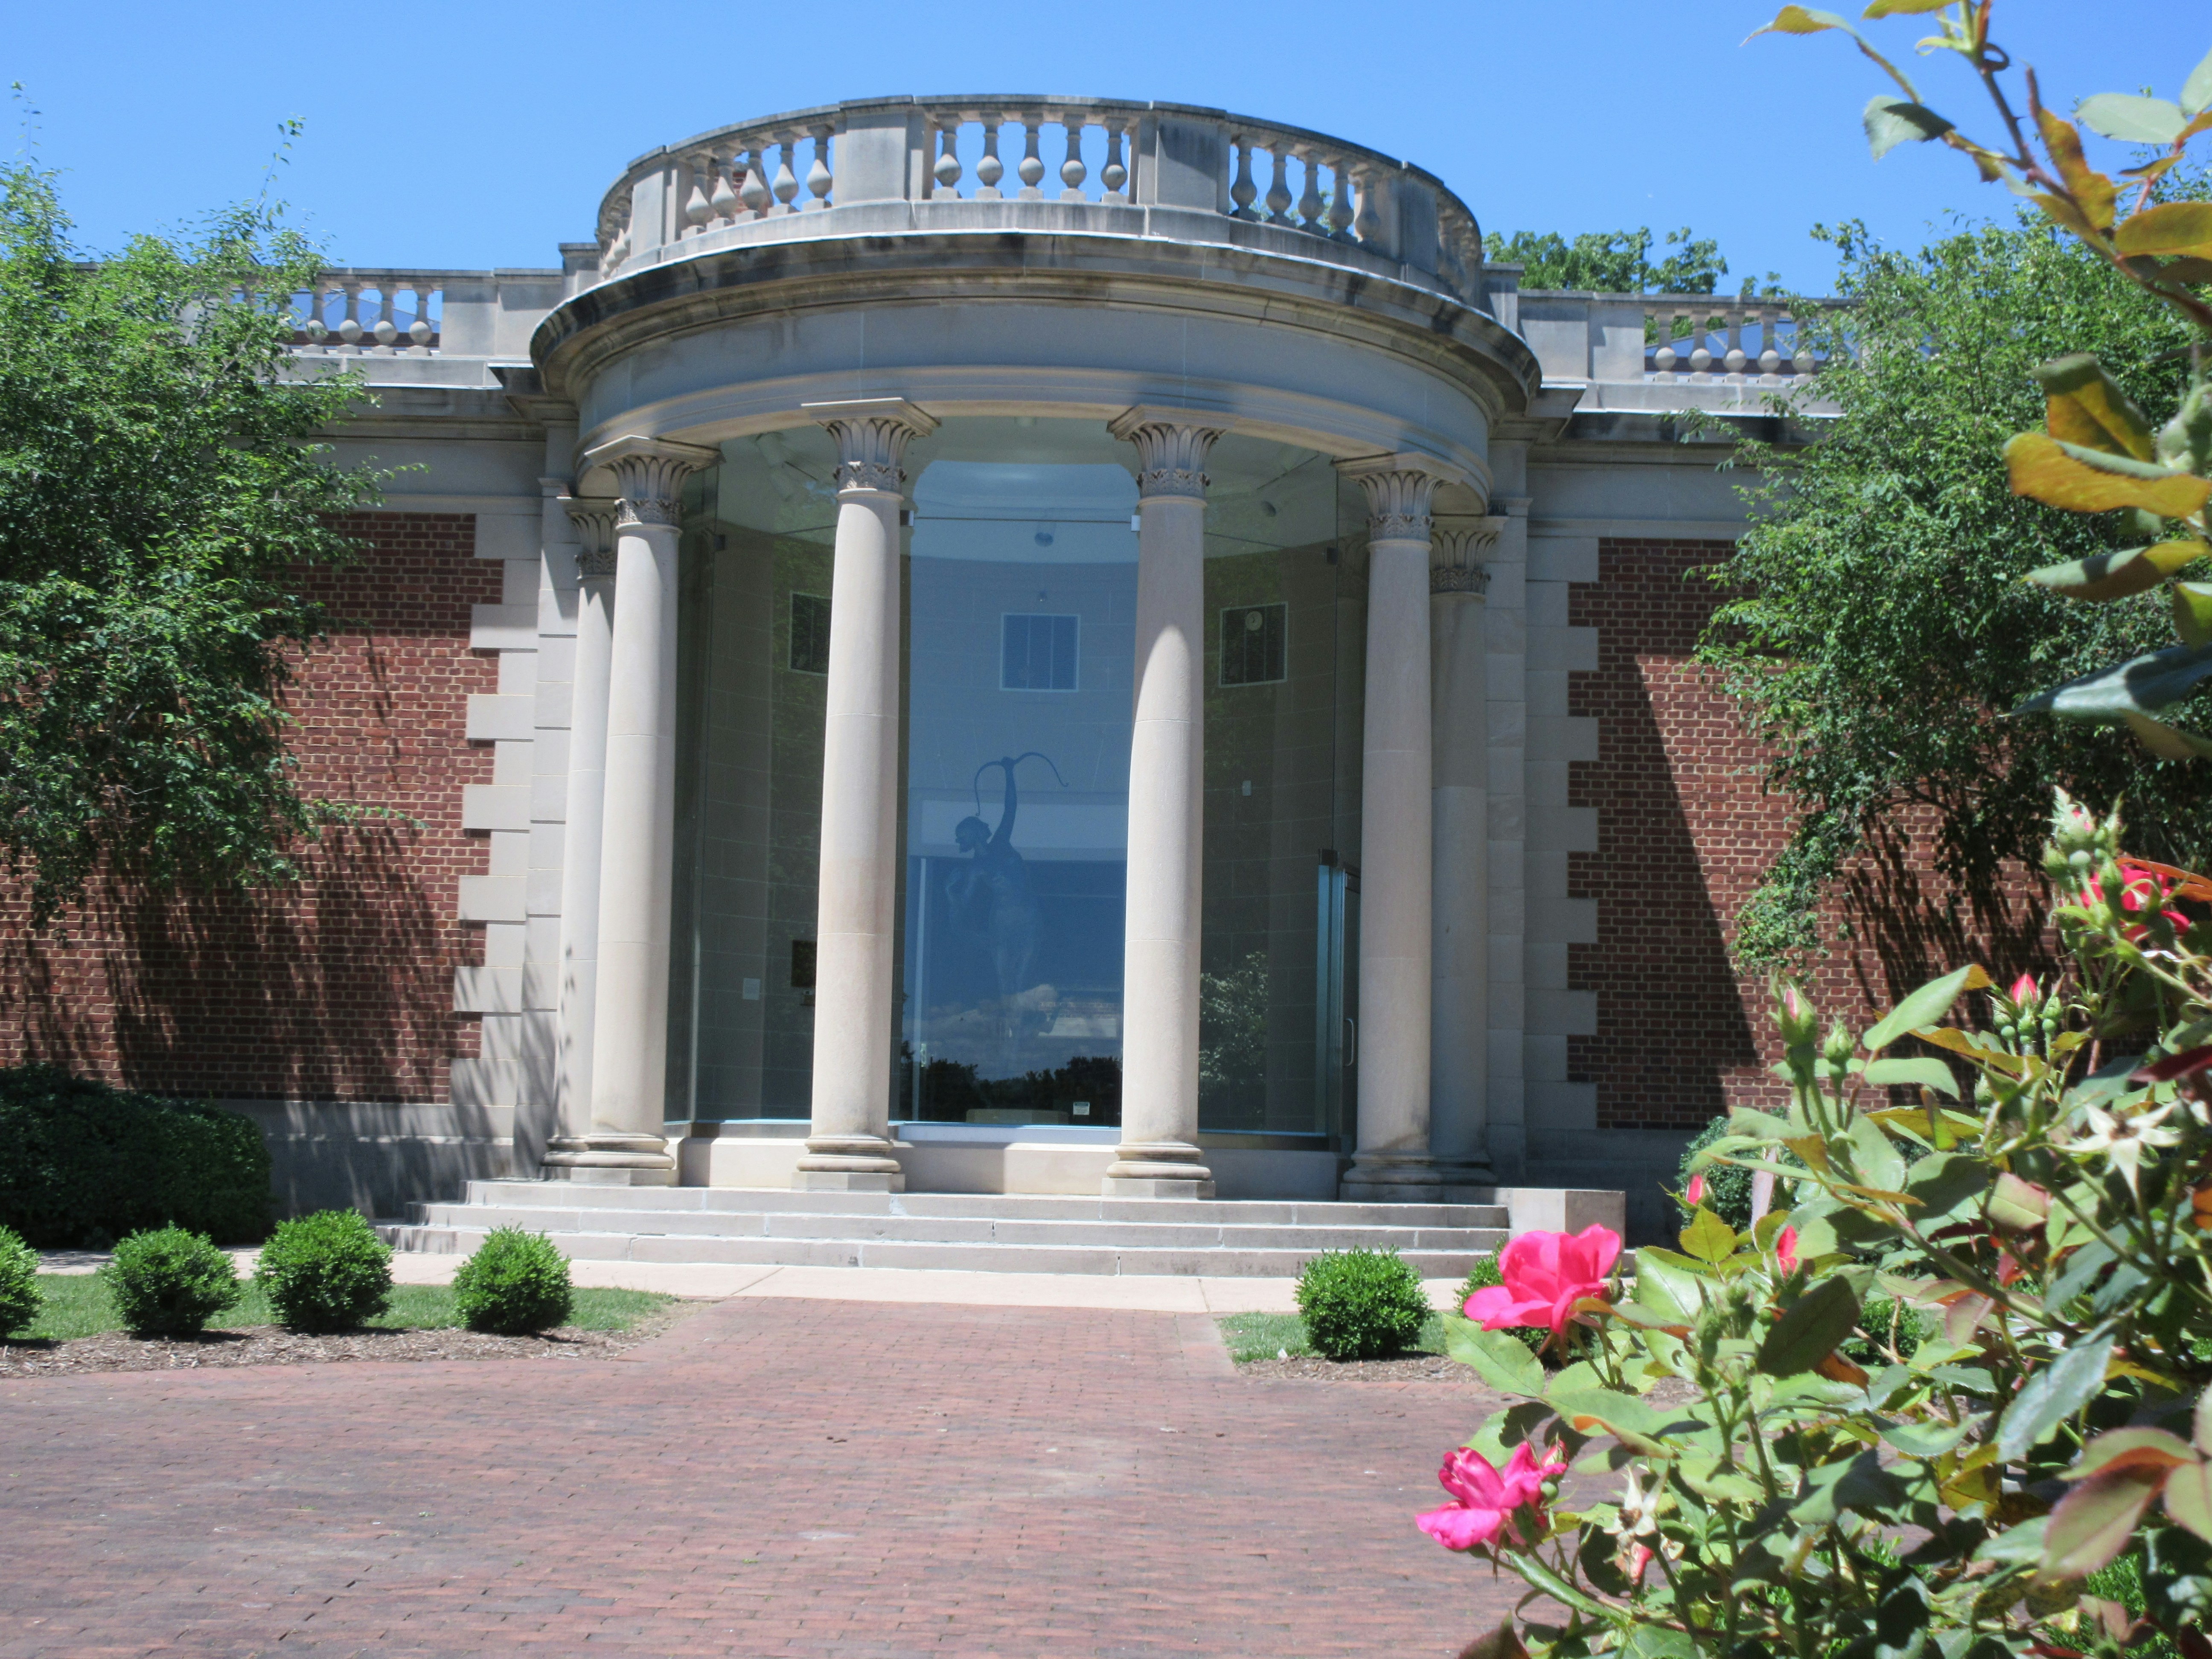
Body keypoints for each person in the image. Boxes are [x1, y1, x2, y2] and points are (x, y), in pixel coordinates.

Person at [947, 755, 1049, 1004]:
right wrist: (950, 893)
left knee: (1024, 978)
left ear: (975, 833)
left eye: (963, 835)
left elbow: (1011, 808)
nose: (962, 841)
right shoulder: (976, 868)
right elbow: (965, 903)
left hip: (1028, 914)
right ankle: (1006, 1029)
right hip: (1002, 920)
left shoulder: (1001, 842)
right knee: (1004, 978)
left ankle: (1020, 1028)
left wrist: (1009, 773)